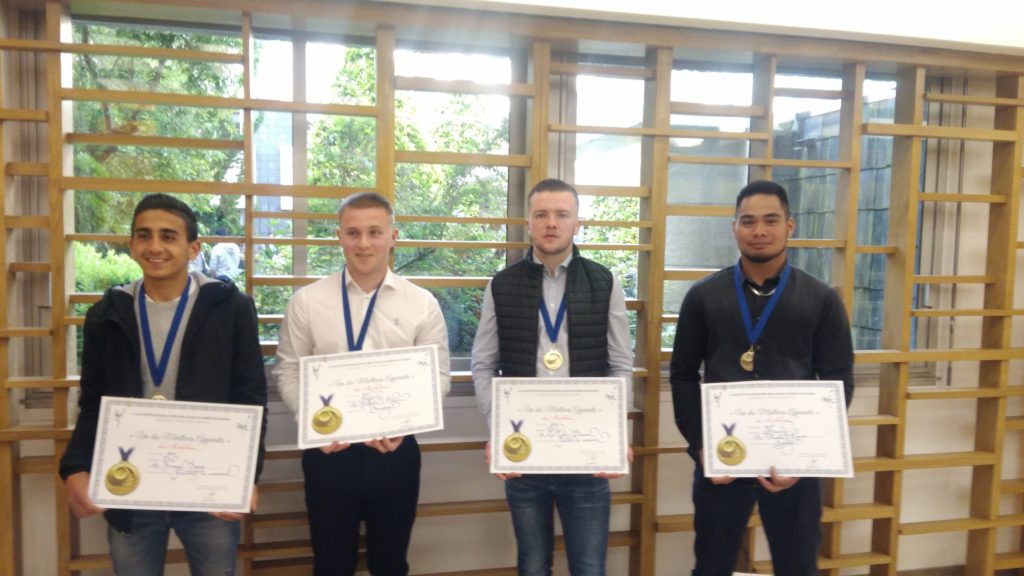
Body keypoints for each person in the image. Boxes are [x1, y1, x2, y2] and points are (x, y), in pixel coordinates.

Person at [59, 193, 268, 576]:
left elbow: (250, 398)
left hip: (209, 484)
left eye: (168, 236)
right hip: (132, 482)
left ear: (193, 248)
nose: (155, 246)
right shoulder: (106, 314)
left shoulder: (230, 308)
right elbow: (93, 403)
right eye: (144, 235)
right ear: (131, 245)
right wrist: (74, 467)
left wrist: (246, 476)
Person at [669, 180, 855, 576]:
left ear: (789, 225)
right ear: (733, 227)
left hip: (793, 465)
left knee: (797, 566)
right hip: (724, 459)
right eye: (748, 221)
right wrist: (701, 447)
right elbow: (683, 375)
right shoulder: (703, 296)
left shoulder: (822, 299)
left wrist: (805, 458)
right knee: (712, 566)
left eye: (770, 220)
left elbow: (838, 380)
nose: (759, 231)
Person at [274, 191, 450, 576]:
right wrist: (313, 425)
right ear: (339, 236)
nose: (364, 243)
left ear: (393, 236)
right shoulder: (307, 301)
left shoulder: (421, 303)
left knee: (390, 563)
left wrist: (406, 424)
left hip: (394, 450)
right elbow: (288, 371)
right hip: (329, 452)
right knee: (331, 563)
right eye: (353, 233)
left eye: (374, 232)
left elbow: (437, 377)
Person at [471, 178, 634, 576]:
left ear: (577, 223)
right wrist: (498, 429)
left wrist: (616, 434)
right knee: (532, 566)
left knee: (590, 568)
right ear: (528, 222)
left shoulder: (605, 281)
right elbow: (484, 363)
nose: (551, 223)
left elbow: (620, 364)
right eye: (541, 214)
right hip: (526, 454)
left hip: (587, 456)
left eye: (562, 214)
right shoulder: (501, 284)